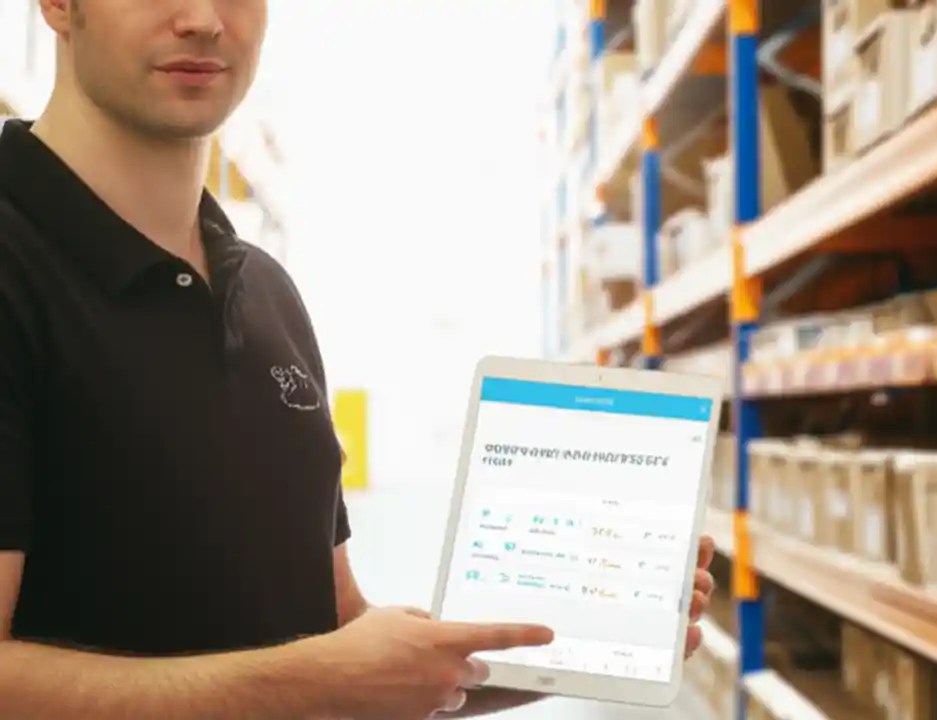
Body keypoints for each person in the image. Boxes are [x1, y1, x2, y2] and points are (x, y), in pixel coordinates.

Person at [0, 1, 717, 718]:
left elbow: (337, 636)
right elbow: (318, 675)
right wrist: (316, 682)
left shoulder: (264, 291)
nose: (202, 19)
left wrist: (572, 640)